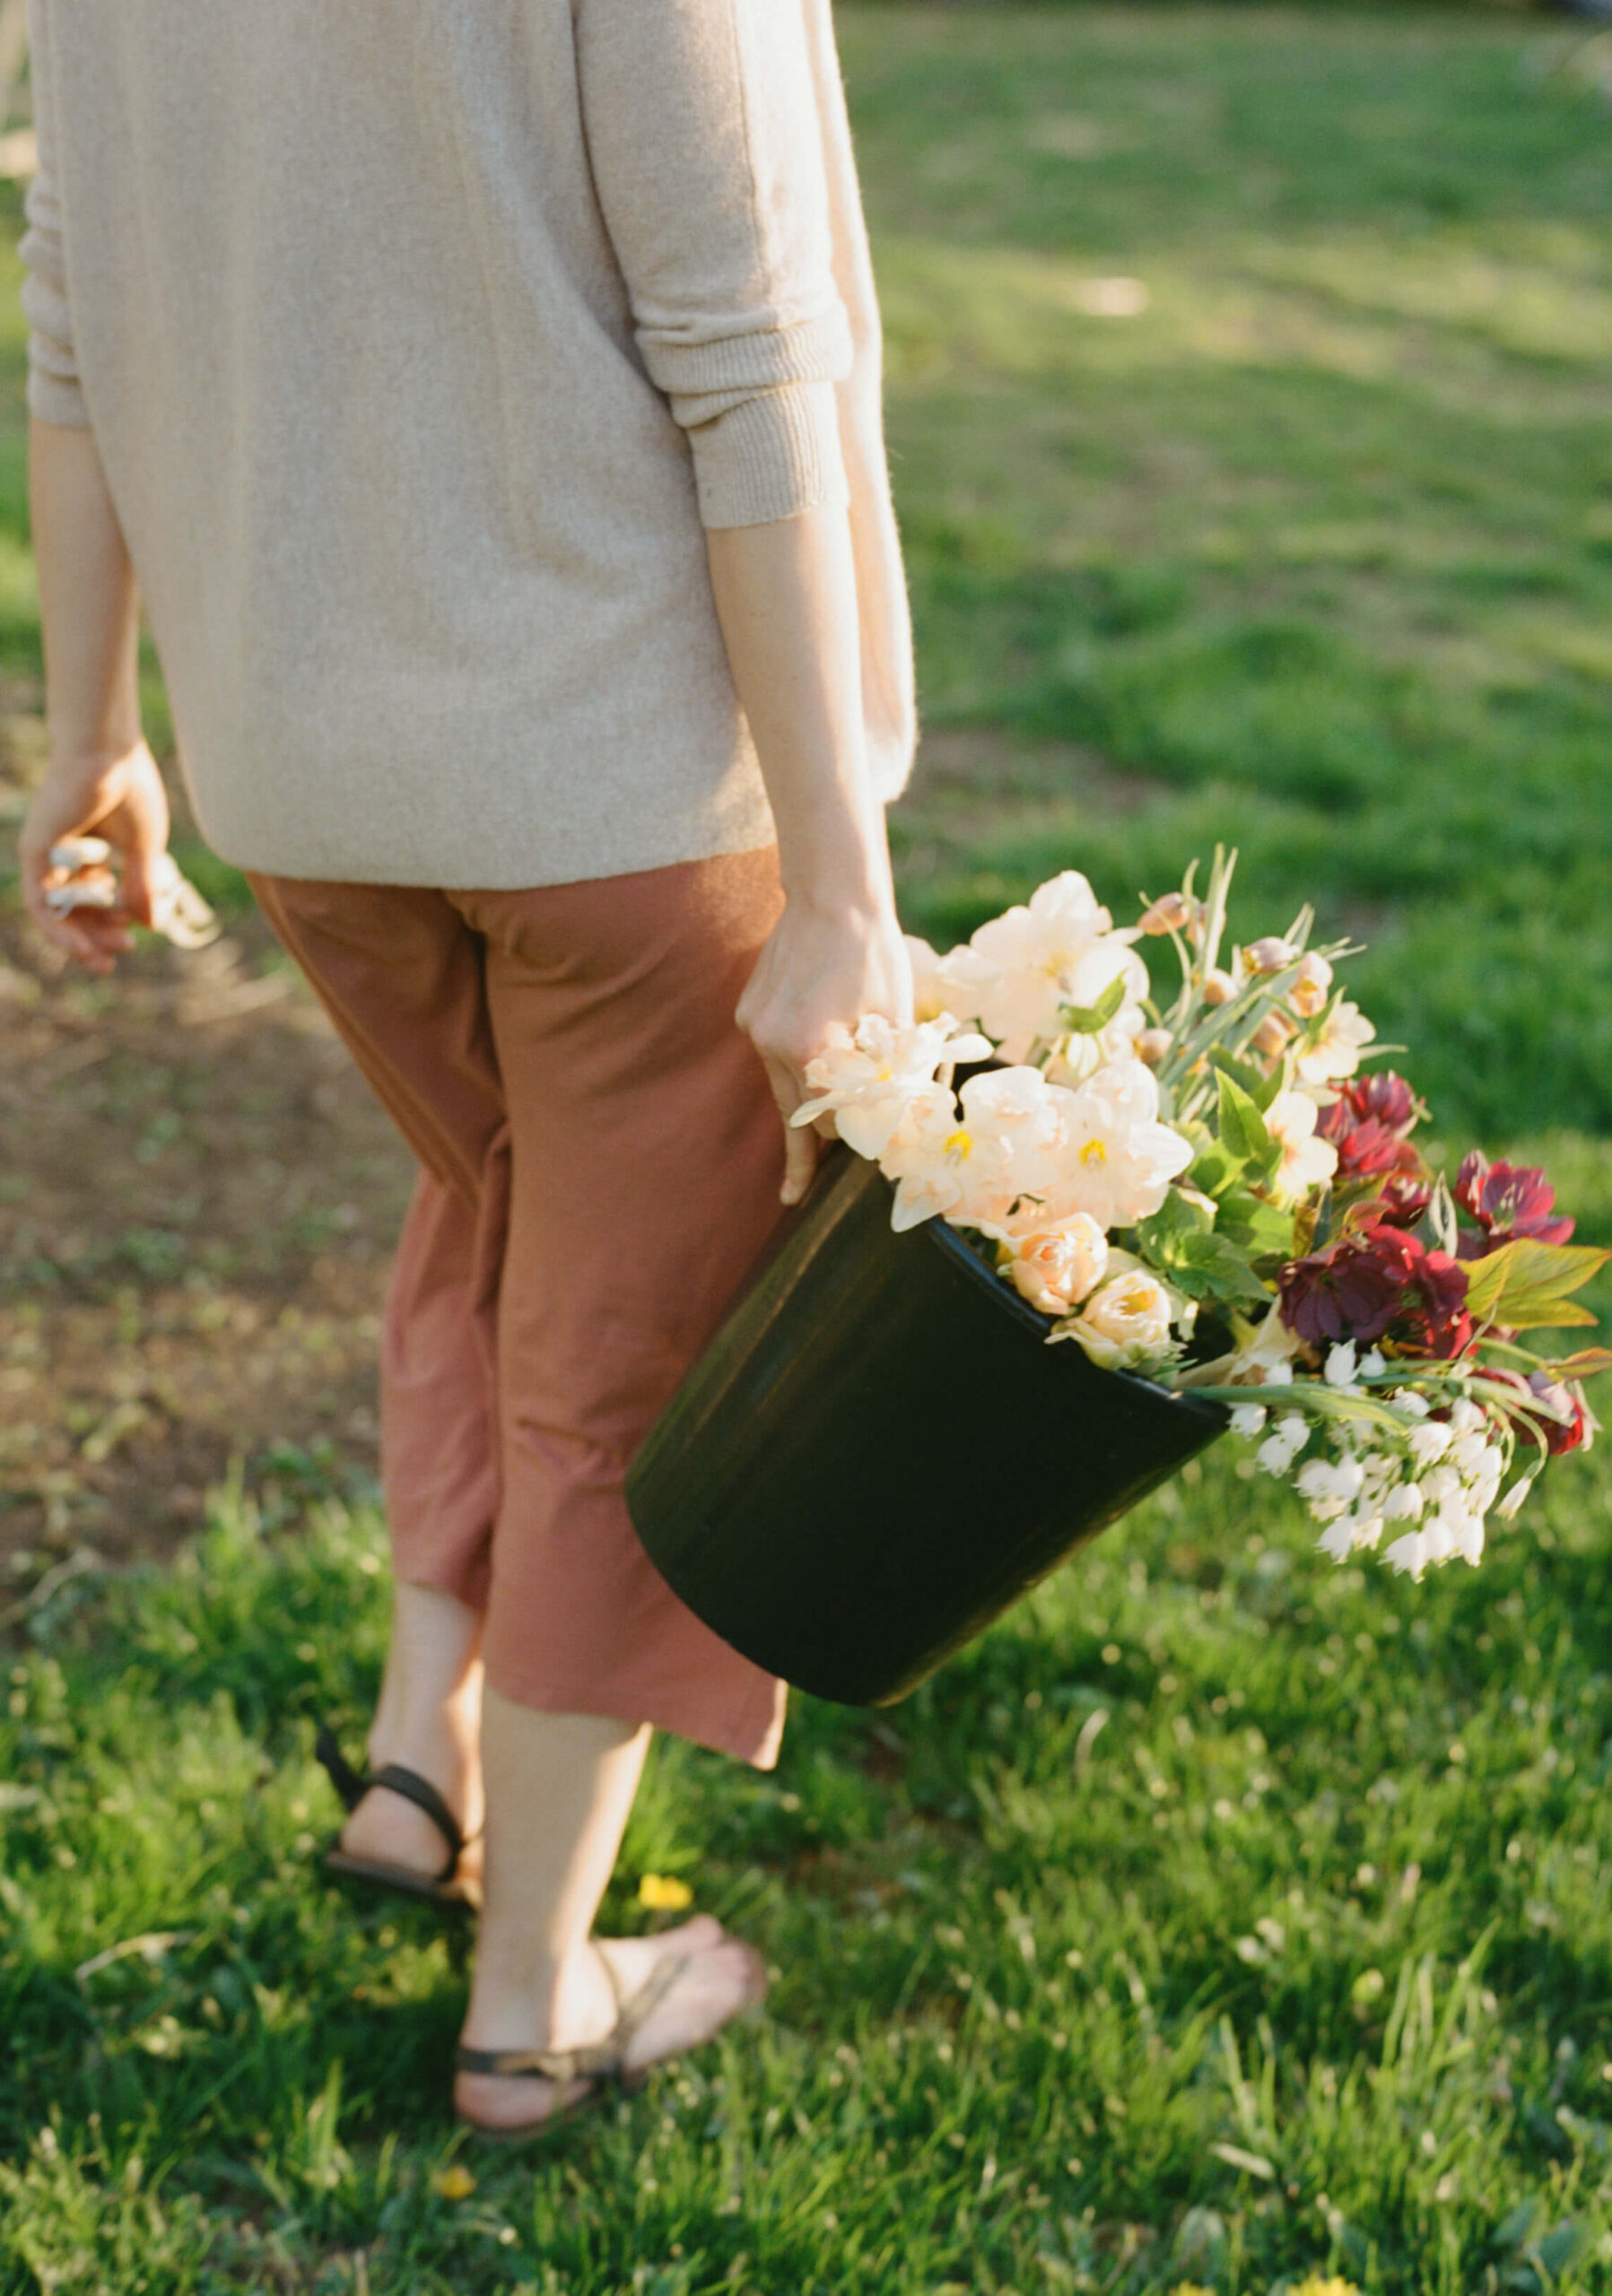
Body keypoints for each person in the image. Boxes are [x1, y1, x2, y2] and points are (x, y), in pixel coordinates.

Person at [15, 0, 915, 2135]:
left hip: (298, 777)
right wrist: (842, 893)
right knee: (617, 1357)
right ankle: (535, 2005)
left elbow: (75, 317)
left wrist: (90, 738)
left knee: (500, 1205)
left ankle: (425, 1750)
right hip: (626, 777)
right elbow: (751, 354)